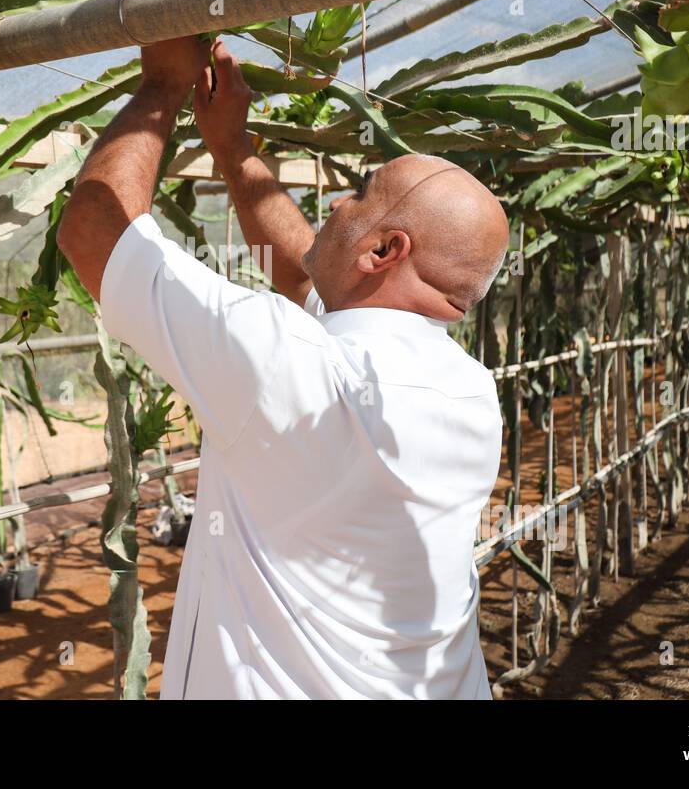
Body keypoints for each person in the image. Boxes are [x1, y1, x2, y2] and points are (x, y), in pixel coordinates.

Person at [57, 35, 510, 699]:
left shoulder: (283, 361)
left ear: (385, 248)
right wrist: (233, 148)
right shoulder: (470, 391)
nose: (334, 203)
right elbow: (315, 281)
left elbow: (95, 228)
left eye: (359, 195)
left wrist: (162, 86)